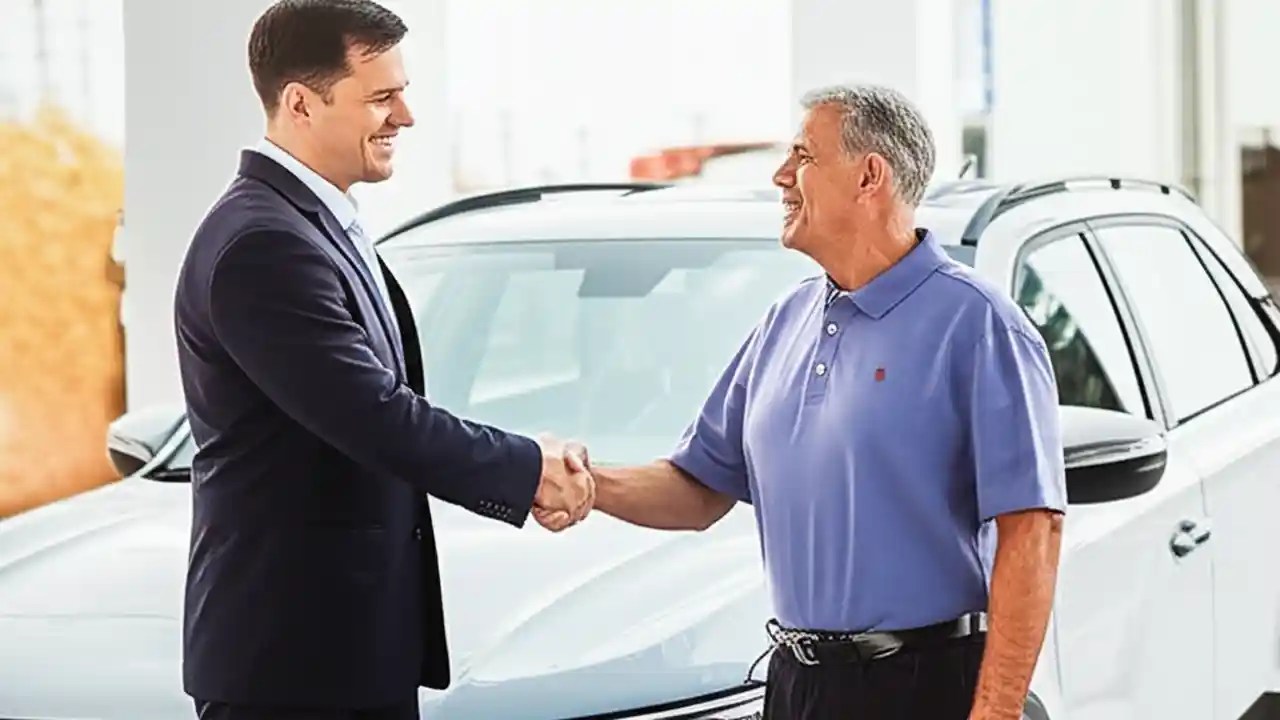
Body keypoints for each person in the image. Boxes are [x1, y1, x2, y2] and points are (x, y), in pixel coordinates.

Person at [538, 84, 1066, 719]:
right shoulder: (785, 321)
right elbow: (698, 488)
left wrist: (997, 712)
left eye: (803, 156)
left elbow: (1032, 529)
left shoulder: (978, 324)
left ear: (870, 176)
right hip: (796, 685)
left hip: (924, 686)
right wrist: (586, 482)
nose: (781, 176)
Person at [173, 2, 591, 719]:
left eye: (403, 92)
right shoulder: (263, 245)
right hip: (292, 668)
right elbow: (374, 416)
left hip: (345, 653)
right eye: (381, 97)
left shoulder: (311, 224)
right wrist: (527, 470)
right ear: (301, 104)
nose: (406, 116)